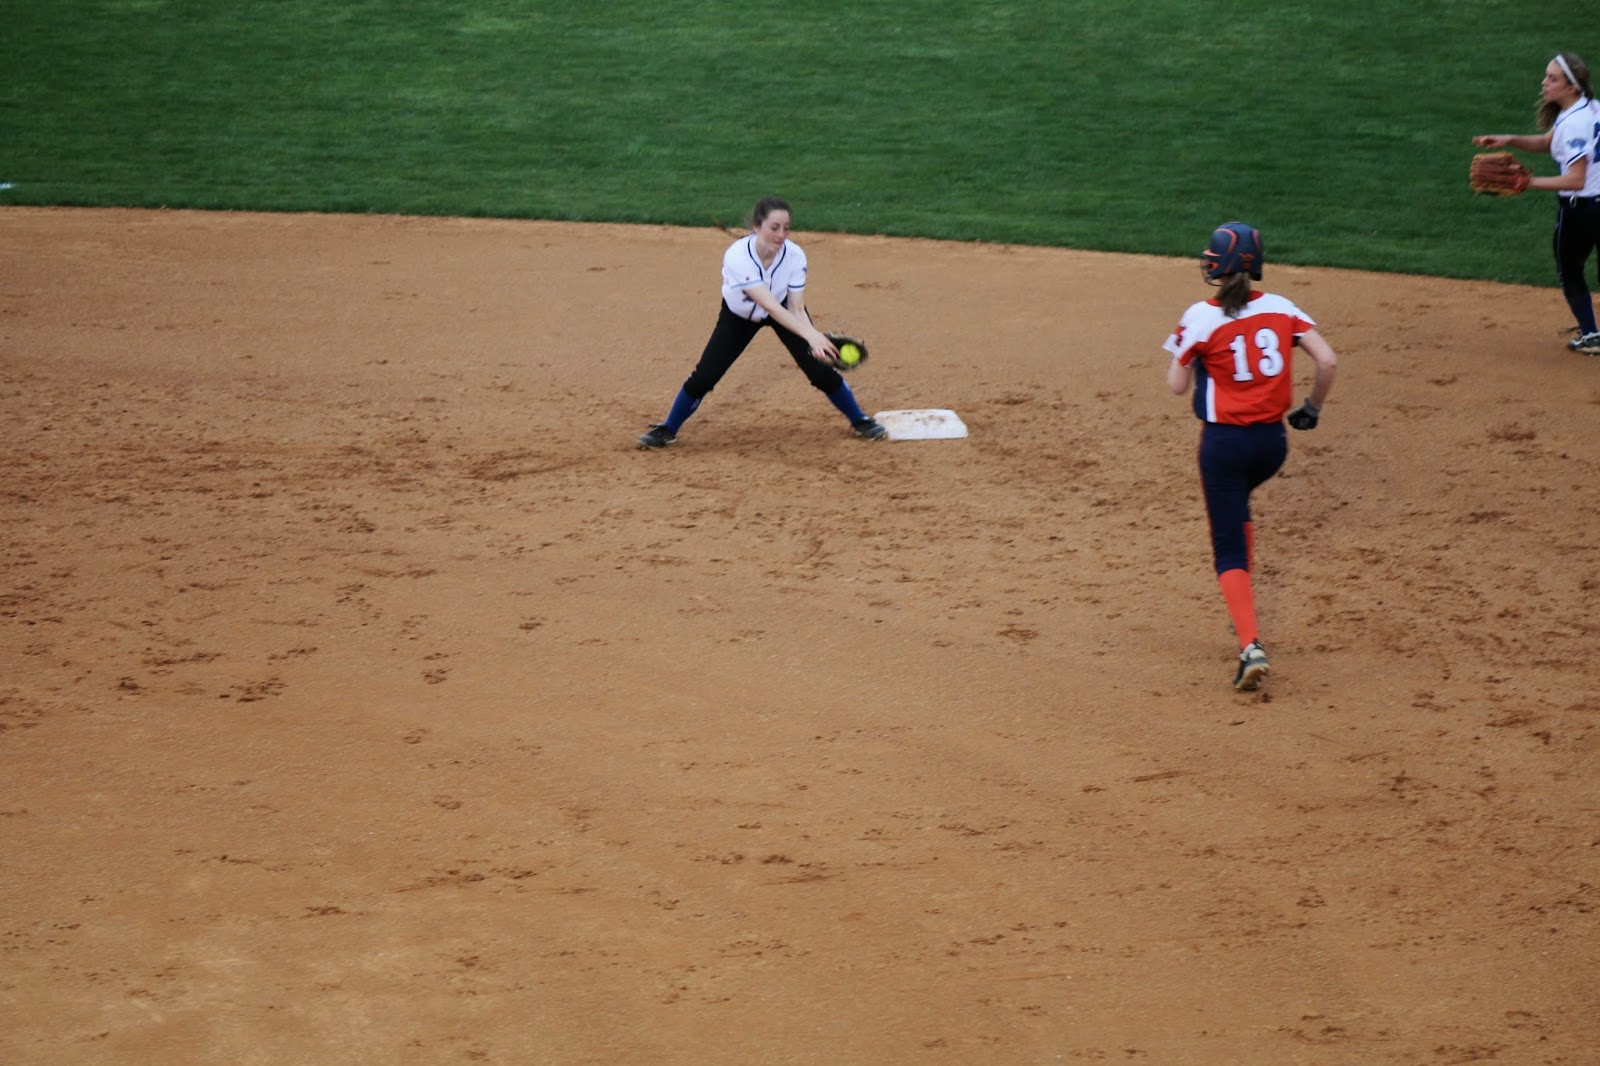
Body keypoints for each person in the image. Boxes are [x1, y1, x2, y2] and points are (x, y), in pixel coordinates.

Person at [1163, 222, 1338, 691]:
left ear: (1217, 266)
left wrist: (1197, 358)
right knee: (1239, 512)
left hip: (1223, 447)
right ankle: (1243, 614)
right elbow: (1327, 361)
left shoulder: (1200, 316)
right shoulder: (1282, 308)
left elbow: (1176, 386)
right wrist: (1312, 409)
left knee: (1228, 547)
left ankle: (1250, 647)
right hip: (1271, 446)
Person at [637, 196, 888, 448]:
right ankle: (668, 429)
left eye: (786, 228)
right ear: (757, 226)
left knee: (821, 372)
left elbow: (796, 307)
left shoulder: (795, 256)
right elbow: (767, 305)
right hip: (739, 317)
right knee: (704, 377)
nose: (781, 235)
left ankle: (860, 420)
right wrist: (811, 336)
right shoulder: (738, 257)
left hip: (786, 314)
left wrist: (813, 336)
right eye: (774, 227)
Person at [1473, 52, 1600, 356]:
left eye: (1552, 78)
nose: (1544, 83)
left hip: (1581, 212)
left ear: (1572, 87)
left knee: (1570, 272)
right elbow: (1548, 143)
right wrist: (1510, 139)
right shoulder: (1589, 109)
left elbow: (1575, 179)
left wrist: (1529, 182)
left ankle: (1592, 335)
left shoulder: (1574, 124)